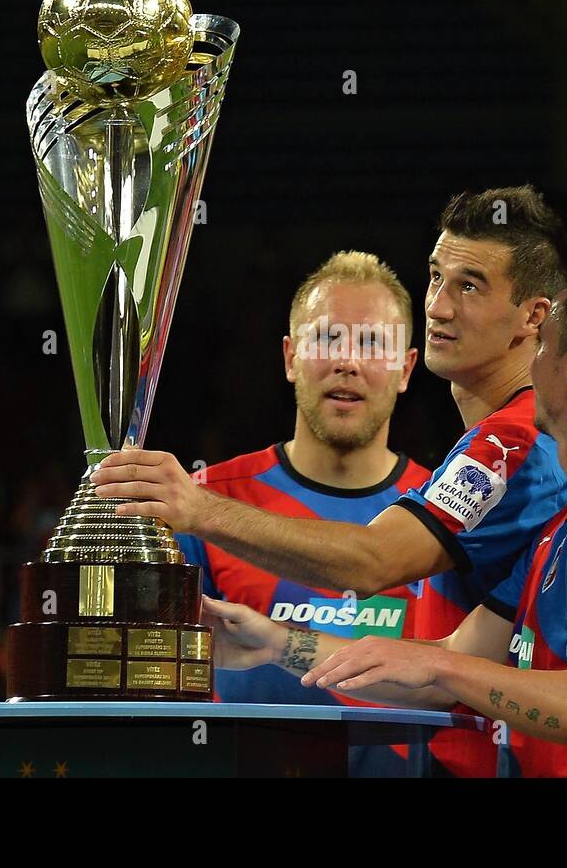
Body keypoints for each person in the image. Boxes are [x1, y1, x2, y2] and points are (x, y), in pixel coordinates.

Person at [91, 186, 567, 776]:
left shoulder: (513, 445)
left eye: (468, 286)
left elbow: (372, 563)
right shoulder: (478, 464)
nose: (441, 306)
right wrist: (279, 643)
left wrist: (200, 509)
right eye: (437, 279)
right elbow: (446, 667)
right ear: (290, 356)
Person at [201, 263, 567, 777]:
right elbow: (437, 671)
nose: (527, 367)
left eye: (540, 346)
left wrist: (445, 666)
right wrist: (278, 643)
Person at [175, 251, 432, 776]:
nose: (348, 361)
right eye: (328, 339)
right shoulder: (201, 505)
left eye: (373, 343)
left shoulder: (446, 514)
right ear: (290, 357)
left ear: (405, 369)